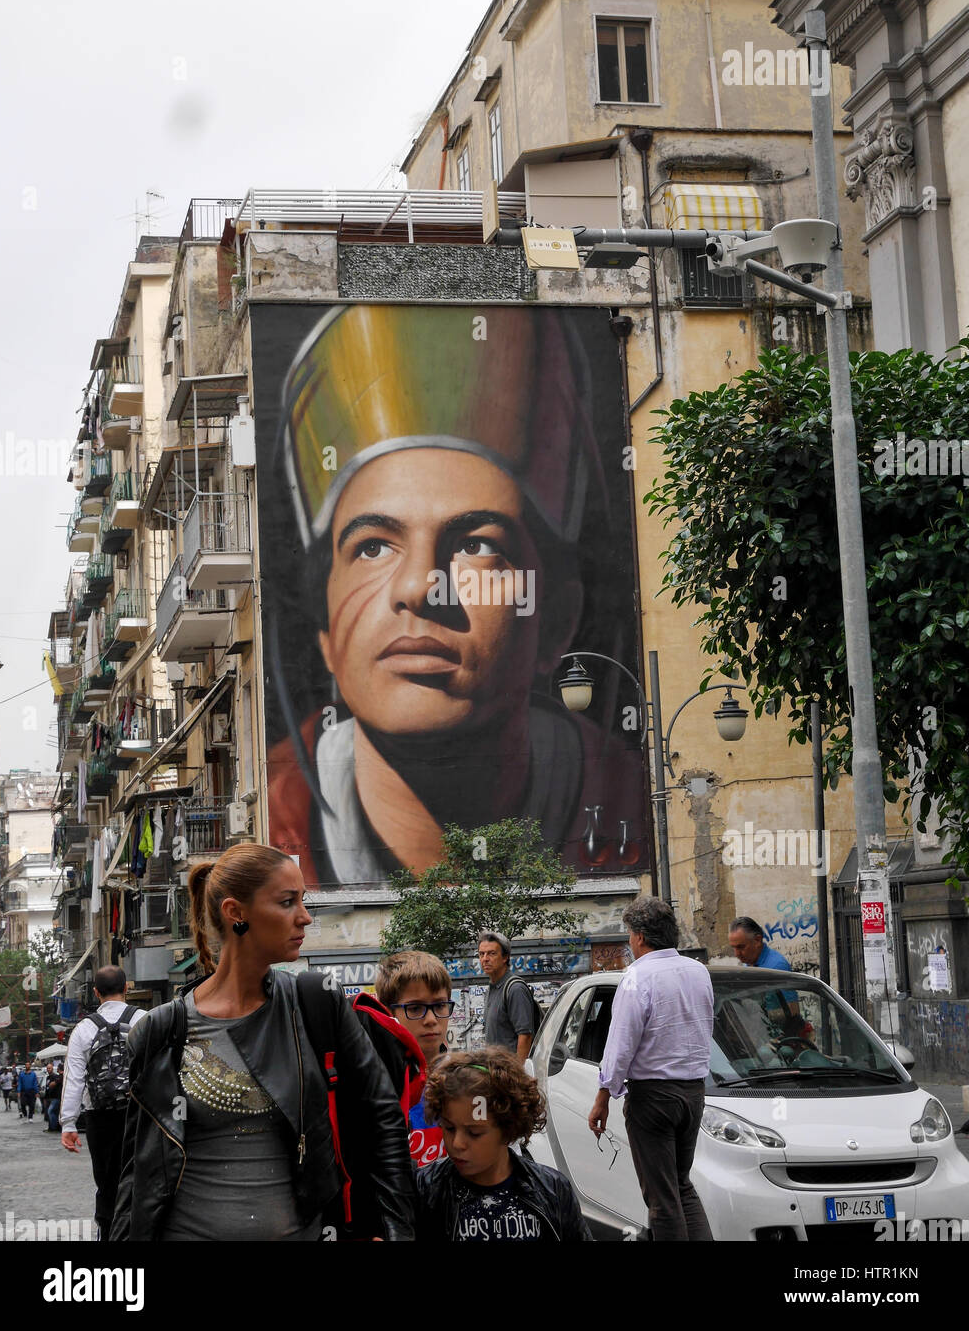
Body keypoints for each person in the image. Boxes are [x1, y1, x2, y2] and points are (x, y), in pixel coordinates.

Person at [265, 304, 647, 888]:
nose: (421, 587)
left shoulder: (633, 806)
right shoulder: (274, 813)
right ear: (323, 629)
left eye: (475, 544)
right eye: (373, 547)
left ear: (557, 618)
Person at [110, 844, 416, 1242]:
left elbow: (384, 1118)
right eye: (288, 902)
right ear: (236, 913)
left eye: (303, 901)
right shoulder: (160, 1030)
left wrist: (397, 1230)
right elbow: (137, 1172)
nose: (305, 918)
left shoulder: (316, 1001)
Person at [590, 896, 714, 1242]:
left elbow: (620, 1045)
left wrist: (603, 1096)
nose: (630, 942)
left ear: (641, 937)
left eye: (630, 934)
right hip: (692, 1093)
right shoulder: (698, 972)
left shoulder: (637, 976)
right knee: (680, 1186)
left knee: (662, 1199)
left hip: (653, 1098)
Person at [416, 1047, 591, 1242]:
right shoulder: (426, 1189)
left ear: (509, 1130)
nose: (457, 1143)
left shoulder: (553, 1190)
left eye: (474, 1133)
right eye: (448, 1128)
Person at [60, 966, 145, 1241]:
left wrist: (68, 1124)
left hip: (99, 1117)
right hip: (141, 1114)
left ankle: (108, 1232)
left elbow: (74, 1078)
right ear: (127, 988)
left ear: (96, 993)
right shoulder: (145, 1020)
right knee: (143, 1176)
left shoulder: (84, 1029)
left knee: (107, 1182)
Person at [371, 949, 454, 1168]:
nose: (431, 1019)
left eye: (439, 1006)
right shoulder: (375, 1085)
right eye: (415, 1008)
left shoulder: (470, 1081)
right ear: (389, 1014)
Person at [480, 932, 539, 1062]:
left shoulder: (515, 989)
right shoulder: (491, 989)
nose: (485, 959)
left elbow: (525, 1036)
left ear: (505, 957)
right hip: (496, 1073)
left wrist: (517, 1075)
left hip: (511, 1075)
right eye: (481, 954)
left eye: (491, 953)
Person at [728, 916, 792, 971]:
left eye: (741, 947)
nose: (737, 954)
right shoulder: (749, 961)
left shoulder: (777, 967)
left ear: (757, 940)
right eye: (734, 948)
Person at [43, 1062, 62, 1132]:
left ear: (52, 1069)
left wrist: (53, 1084)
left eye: (50, 1068)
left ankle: (54, 1127)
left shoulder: (55, 1076)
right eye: (47, 1068)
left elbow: (57, 1084)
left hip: (56, 1097)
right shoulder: (48, 1077)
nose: (48, 1069)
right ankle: (51, 1127)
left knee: (50, 1111)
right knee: (52, 1113)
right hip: (49, 1098)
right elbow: (47, 1089)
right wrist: (45, 1098)